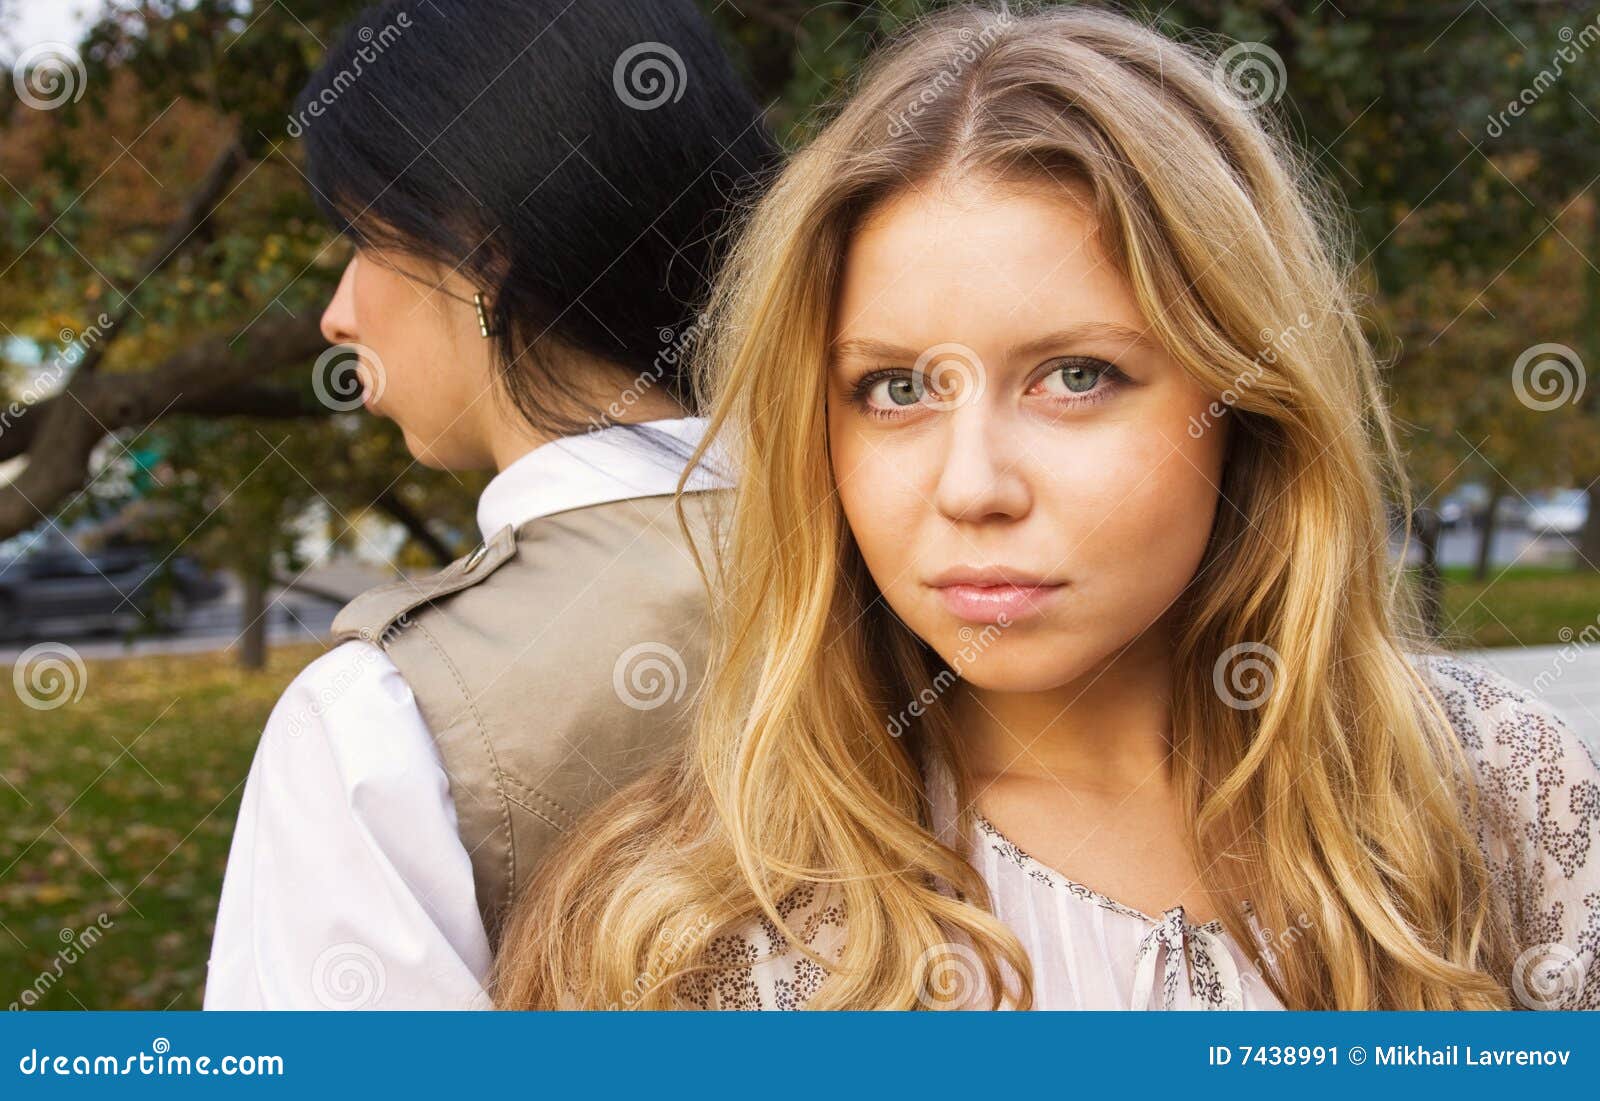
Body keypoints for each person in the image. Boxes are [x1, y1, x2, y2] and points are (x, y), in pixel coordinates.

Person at [488, 4, 1599, 1010]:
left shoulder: (1506, 799)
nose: (972, 486)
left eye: (1075, 376)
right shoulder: (674, 930)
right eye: (895, 388)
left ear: (1248, 397)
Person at [203, 0, 776, 1009]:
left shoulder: (379, 728)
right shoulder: (943, 575)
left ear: (481, 252)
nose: (336, 313)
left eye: (362, 240)